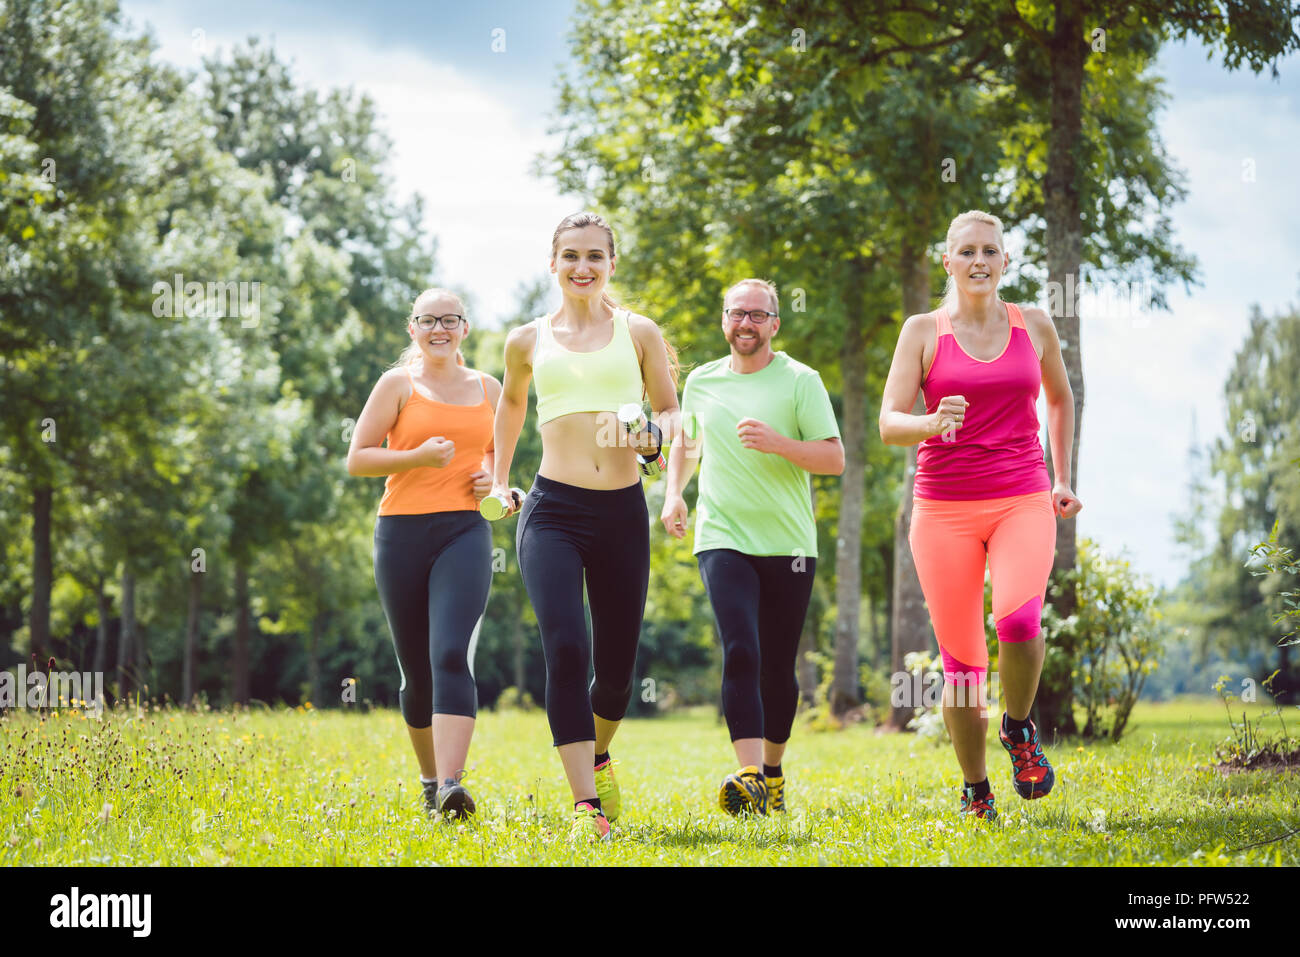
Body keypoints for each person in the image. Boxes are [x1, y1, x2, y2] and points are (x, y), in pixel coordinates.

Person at [878, 209, 1082, 820]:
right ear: (948, 262)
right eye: (966, 251)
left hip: (1022, 495)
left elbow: (1060, 398)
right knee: (963, 667)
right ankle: (976, 788)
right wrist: (930, 422)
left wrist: (1062, 477)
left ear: (1005, 261)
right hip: (943, 509)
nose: (979, 261)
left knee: (1019, 621)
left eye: (990, 251)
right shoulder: (922, 331)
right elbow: (889, 422)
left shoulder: (1034, 324)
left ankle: (1017, 728)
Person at [491, 212, 680, 843]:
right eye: (570, 255)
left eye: (595, 256)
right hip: (552, 512)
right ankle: (585, 805)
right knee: (567, 647)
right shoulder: (527, 340)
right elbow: (511, 404)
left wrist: (654, 439)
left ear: (611, 264)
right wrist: (499, 478)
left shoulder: (638, 332)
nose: (582, 267)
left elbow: (670, 411)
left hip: (621, 512)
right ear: (553, 264)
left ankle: (598, 754)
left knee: (618, 672)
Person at [661, 278, 843, 816]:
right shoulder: (702, 380)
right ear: (724, 320)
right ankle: (748, 775)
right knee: (741, 647)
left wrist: (779, 444)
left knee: (778, 666)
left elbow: (833, 459)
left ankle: (773, 770)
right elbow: (687, 443)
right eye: (737, 313)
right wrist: (674, 494)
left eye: (758, 315)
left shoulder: (801, 381)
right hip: (722, 536)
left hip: (789, 544)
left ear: (775, 324)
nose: (746, 323)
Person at [347, 287, 499, 820]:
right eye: (428, 320)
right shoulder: (397, 384)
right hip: (401, 534)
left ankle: (454, 784)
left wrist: (492, 481)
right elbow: (358, 458)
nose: (439, 329)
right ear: (412, 329)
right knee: (416, 672)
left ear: (464, 328)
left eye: (450, 319)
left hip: (466, 531)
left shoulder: (489, 388)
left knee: (451, 653)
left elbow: (498, 459)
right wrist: (417, 457)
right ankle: (431, 782)